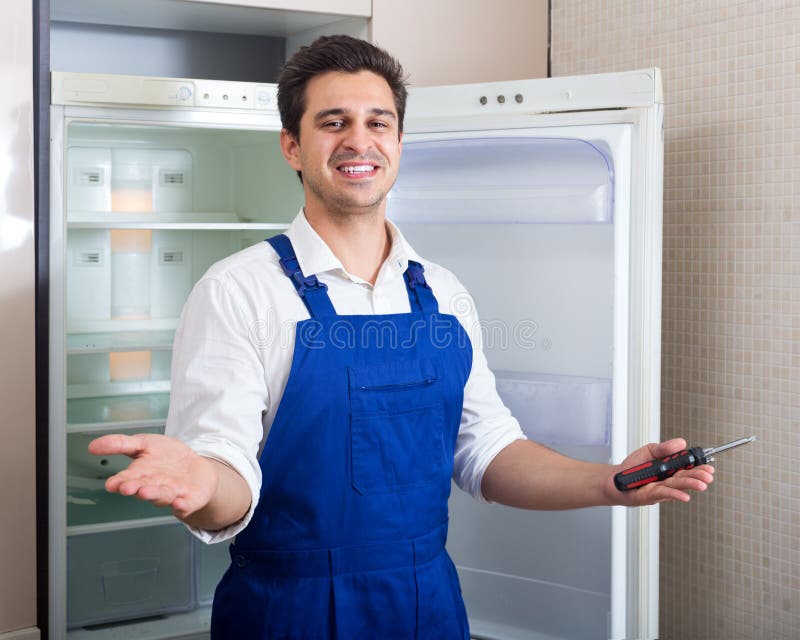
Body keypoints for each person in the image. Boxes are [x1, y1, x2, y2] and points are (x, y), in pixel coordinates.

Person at [89, 35, 714, 639]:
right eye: (333, 122)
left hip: (427, 605)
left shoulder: (443, 292)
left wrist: (610, 482)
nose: (358, 141)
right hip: (289, 612)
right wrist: (203, 485)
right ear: (292, 146)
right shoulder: (238, 291)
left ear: (399, 142)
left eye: (377, 122)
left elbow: (489, 451)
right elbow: (226, 469)